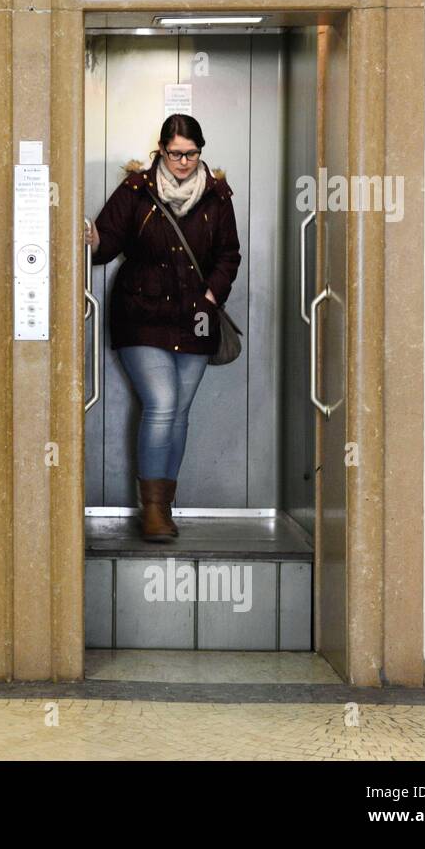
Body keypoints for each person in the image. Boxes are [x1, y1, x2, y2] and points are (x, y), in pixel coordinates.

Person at [84, 114, 241, 542]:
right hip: (141, 315)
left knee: (179, 414)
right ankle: (151, 511)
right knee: (163, 403)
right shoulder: (137, 190)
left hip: (195, 317)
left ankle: (164, 505)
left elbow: (229, 253)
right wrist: (91, 238)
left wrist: (211, 295)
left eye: (192, 154)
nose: (184, 162)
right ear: (162, 149)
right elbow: (106, 245)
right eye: (176, 153)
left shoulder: (216, 194)